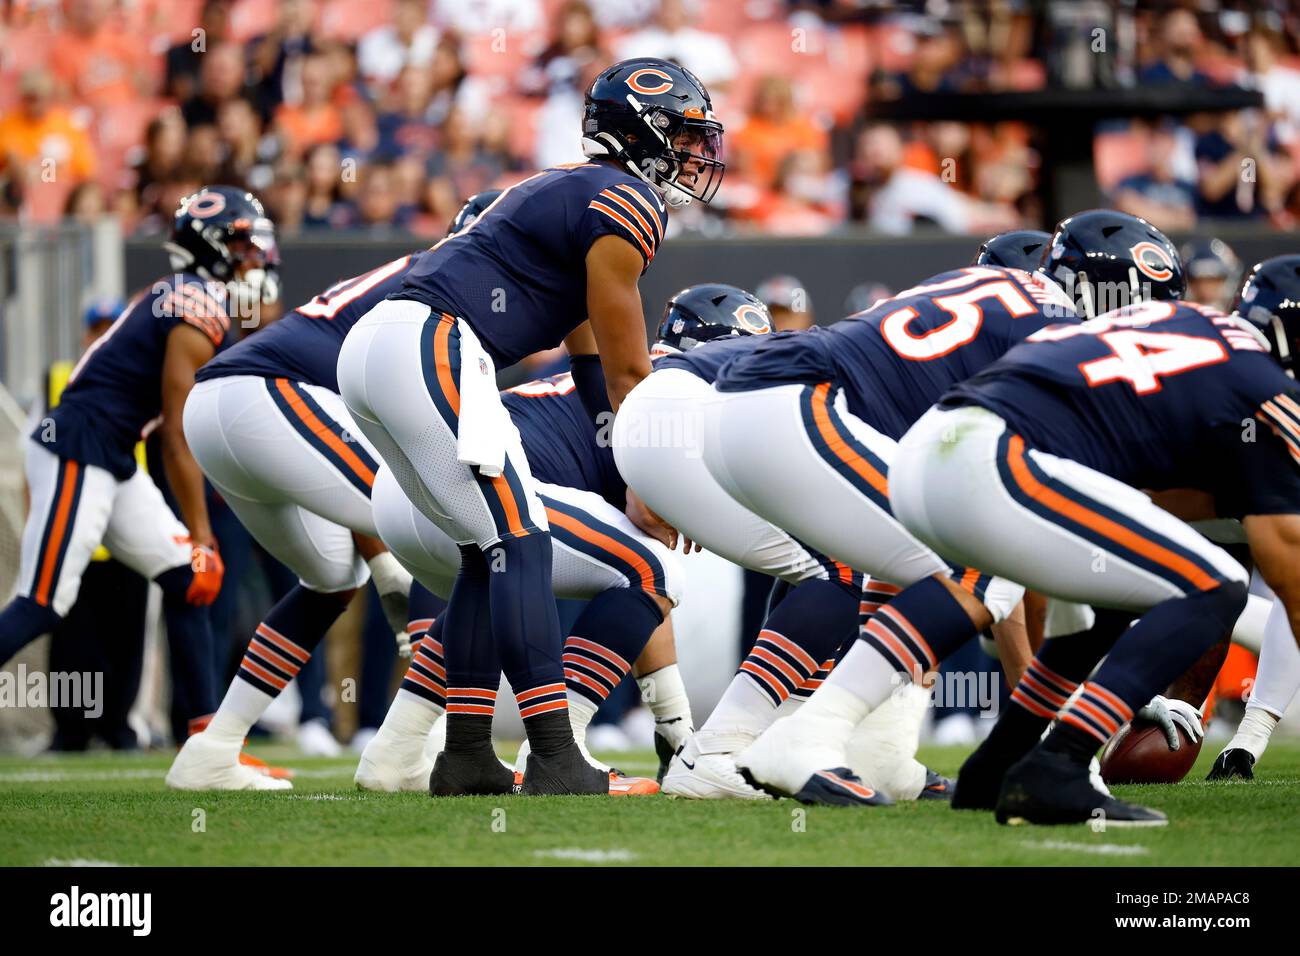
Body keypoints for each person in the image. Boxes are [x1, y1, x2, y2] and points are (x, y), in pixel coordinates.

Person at [336, 58, 724, 796]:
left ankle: (468, 755)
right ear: (641, 131)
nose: (694, 152)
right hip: (434, 342)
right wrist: (662, 483)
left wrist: (623, 467)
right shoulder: (624, 200)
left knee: (490, 552)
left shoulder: (569, 191)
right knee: (522, 540)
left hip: (388, 347)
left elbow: (590, 371)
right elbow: (629, 375)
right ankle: (554, 754)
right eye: (682, 132)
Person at [713, 212, 1180, 807]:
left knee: (914, 560)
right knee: (987, 552)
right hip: (796, 402)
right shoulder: (1052, 328)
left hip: (755, 404)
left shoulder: (997, 295)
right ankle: (807, 734)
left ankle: (860, 747)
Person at [889, 256, 1300, 825]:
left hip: (928, 453)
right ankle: (1059, 761)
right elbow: (1290, 573)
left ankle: (998, 763)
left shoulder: (1187, 331)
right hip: (995, 461)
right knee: (1219, 586)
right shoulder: (1257, 381)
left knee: (1108, 600)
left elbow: (1151, 489)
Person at [357, 286, 764, 794]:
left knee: (487, 589)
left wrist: (674, 730)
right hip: (482, 482)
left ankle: (394, 750)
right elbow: (650, 569)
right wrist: (678, 732)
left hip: (406, 491)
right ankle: (556, 746)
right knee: (653, 570)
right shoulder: (678, 395)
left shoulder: (638, 374)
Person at [0, 186, 275, 741]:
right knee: (42, 602)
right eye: (243, 243)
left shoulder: (191, 296)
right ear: (212, 244)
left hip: (114, 454)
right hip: (79, 446)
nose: (253, 257)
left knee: (192, 581)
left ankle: (207, 745)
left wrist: (199, 547)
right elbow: (177, 436)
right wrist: (202, 531)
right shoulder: (196, 304)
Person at [167, 248, 426, 790]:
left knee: (334, 575)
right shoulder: (439, 291)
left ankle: (212, 748)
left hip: (231, 417)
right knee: (451, 525)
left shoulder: (400, 284)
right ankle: (432, 744)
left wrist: (382, 566)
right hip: (255, 409)